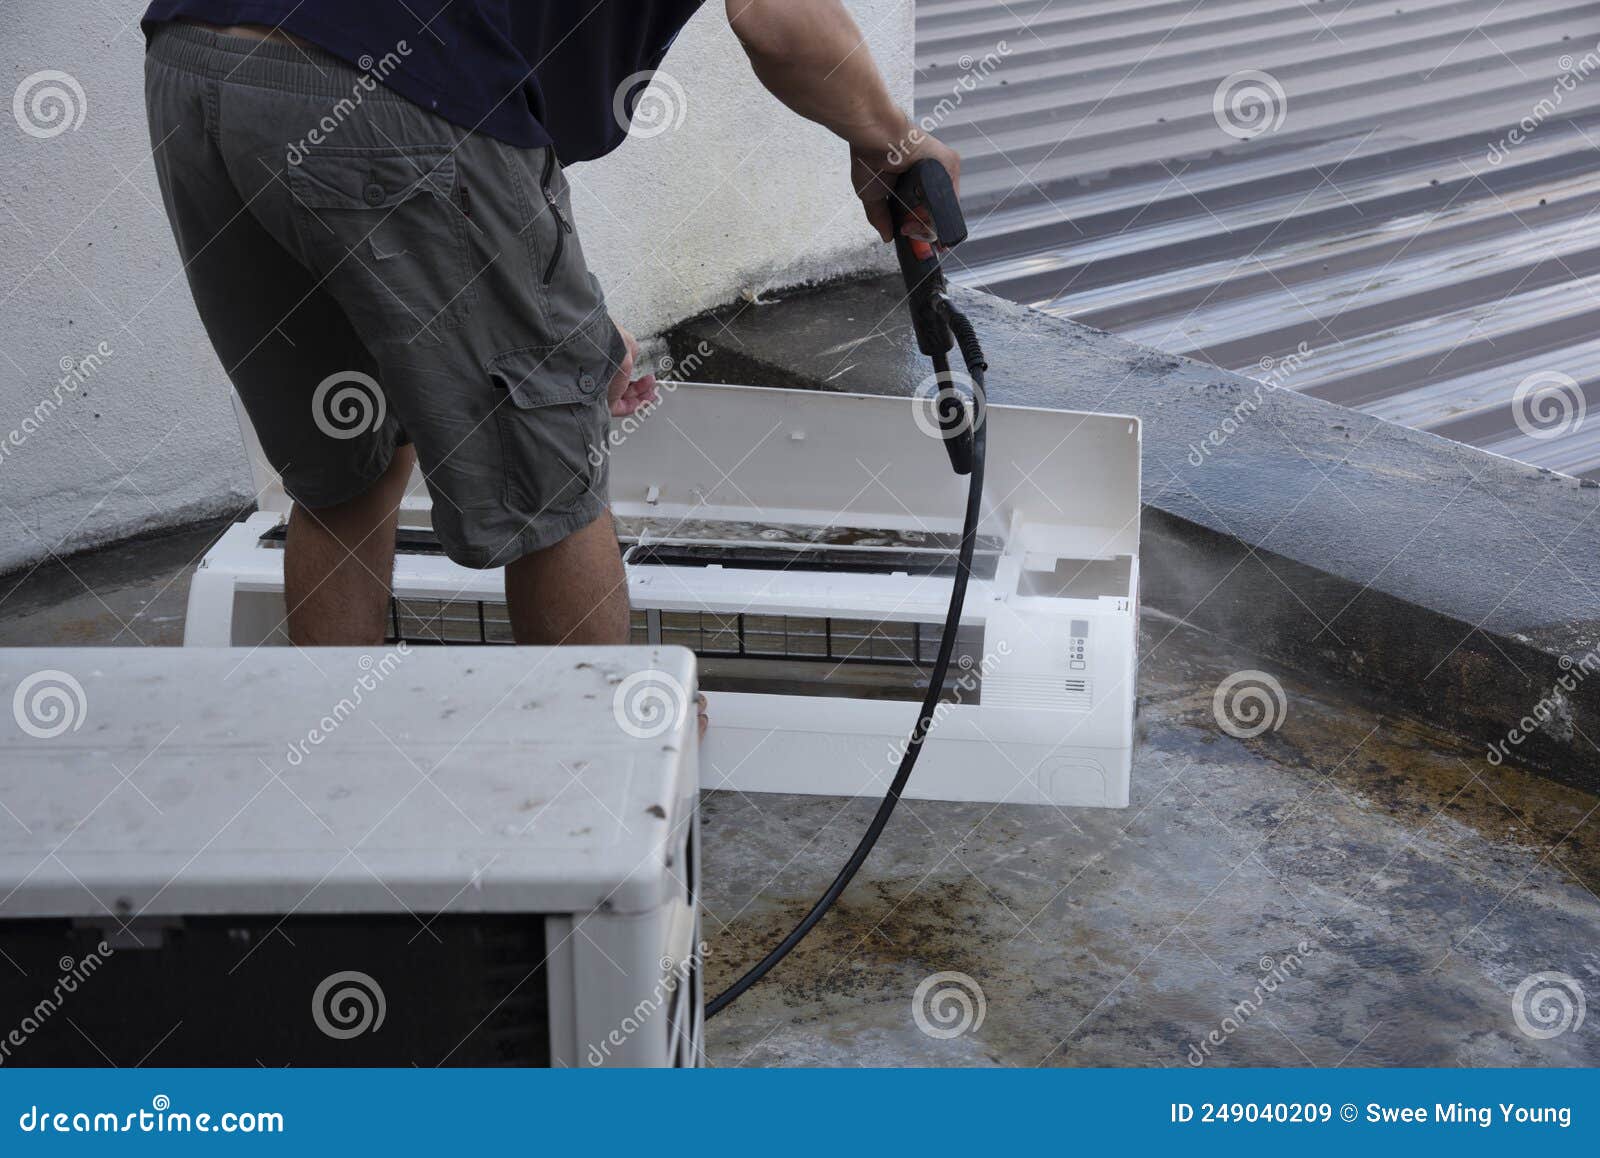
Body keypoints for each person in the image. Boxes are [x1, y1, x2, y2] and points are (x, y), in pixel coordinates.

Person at [140, 2, 960, 698]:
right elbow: (775, 16)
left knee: (343, 456)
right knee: (551, 480)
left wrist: (569, 332)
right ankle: (599, 772)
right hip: (393, 81)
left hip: (198, 58)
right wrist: (891, 138)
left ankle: (327, 792)